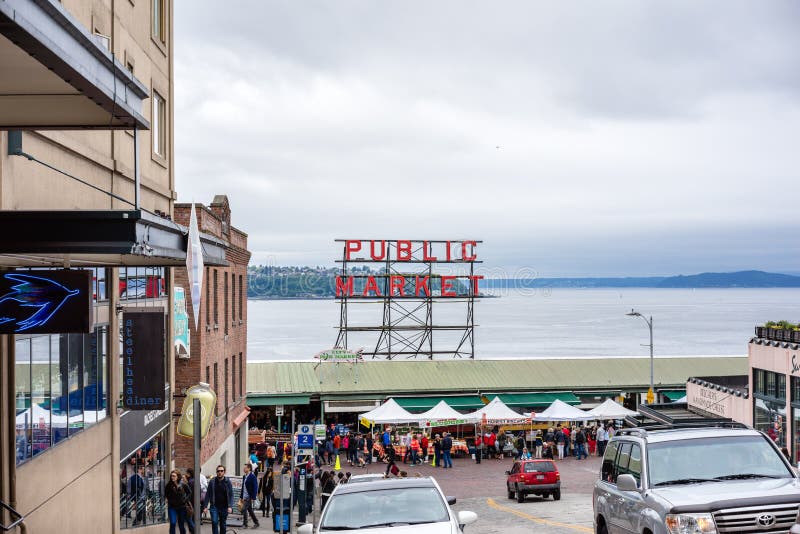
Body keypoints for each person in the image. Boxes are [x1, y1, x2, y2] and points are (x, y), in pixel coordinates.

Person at [204, 465, 234, 534]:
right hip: (214, 506)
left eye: (221, 471)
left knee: (223, 524)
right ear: (216, 472)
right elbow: (208, 494)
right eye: (218, 471)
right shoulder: (212, 481)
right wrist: (205, 506)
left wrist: (230, 506)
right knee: (214, 522)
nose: (220, 472)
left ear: (224, 472)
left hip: (224, 506)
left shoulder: (227, 481)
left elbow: (231, 494)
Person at [165, 469, 190, 534]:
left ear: (178, 477)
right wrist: (169, 500)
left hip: (181, 507)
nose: (172, 477)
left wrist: (185, 500)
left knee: (181, 524)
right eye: (171, 476)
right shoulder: (169, 485)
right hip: (172, 507)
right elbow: (166, 494)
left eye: (174, 476)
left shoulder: (183, 484)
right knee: (173, 523)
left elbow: (189, 493)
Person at [241, 463, 260, 529]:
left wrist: (253, 497)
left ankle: (245, 524)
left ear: (249, 468)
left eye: (245, 468)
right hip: (245, 496)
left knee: (243, 509)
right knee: (250, 510)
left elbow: (255, 487)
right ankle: (256, 523)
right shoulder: (244, 476)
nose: (244, 469)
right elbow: (243, 487)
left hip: (249, 496)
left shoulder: (252, 476)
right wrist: (241, 497)